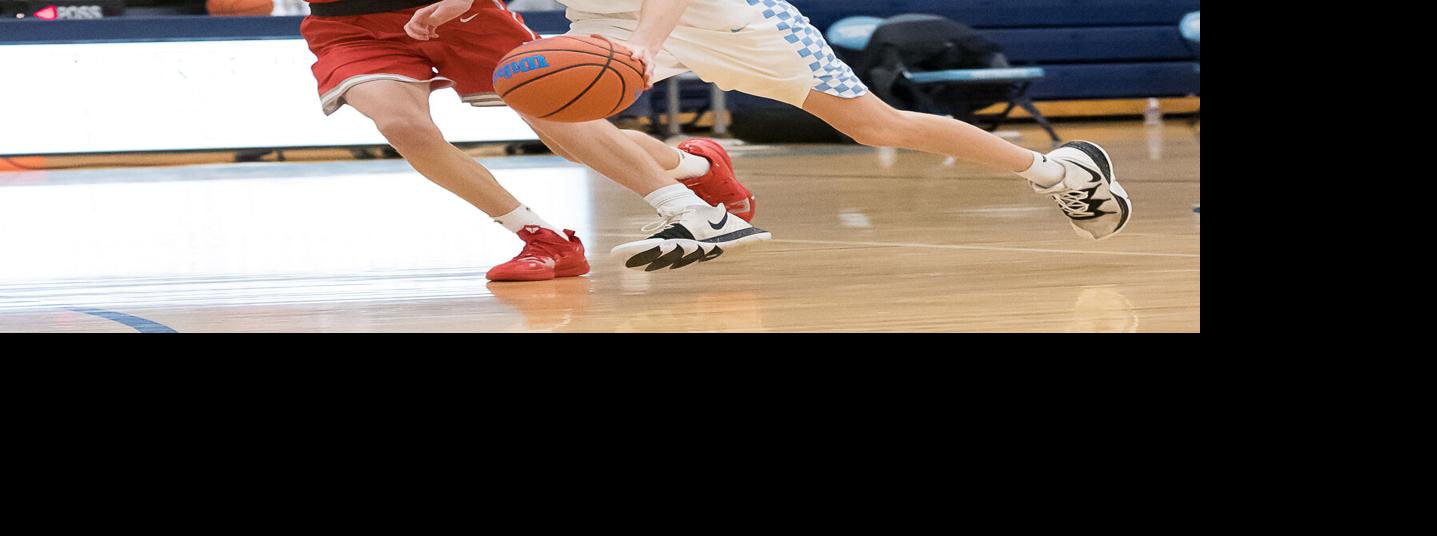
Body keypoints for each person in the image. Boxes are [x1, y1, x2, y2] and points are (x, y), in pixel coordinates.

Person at [405, 0, 1133, 267]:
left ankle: (1060, 172)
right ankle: (698, 209)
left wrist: (648, 54)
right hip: (606, 26)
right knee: (554, 111)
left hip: (730, 20)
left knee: (873, 125)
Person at [302, 0, 760, 280]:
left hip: (463, 11)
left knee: (560, 127)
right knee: (402, 126)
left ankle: (694, 184)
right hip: (347, 25)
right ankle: (543, 240)